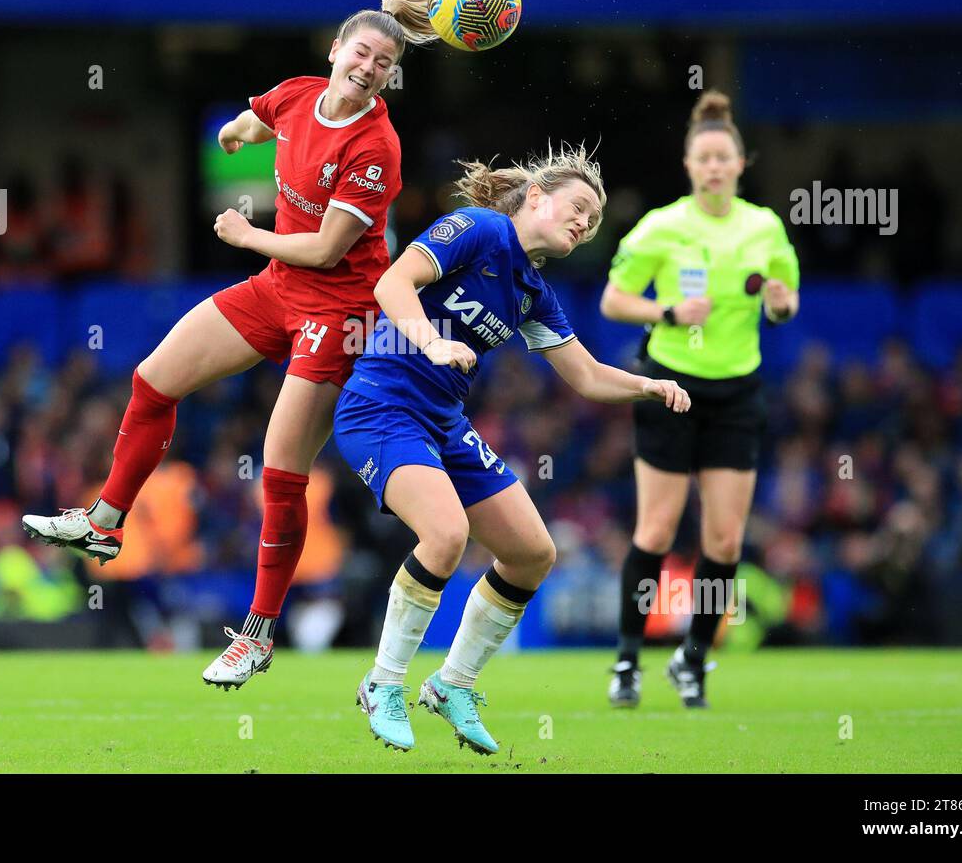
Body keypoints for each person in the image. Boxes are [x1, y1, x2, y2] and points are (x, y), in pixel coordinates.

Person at [19, 0, 501, 687]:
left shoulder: (377, 147)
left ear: (389, 78)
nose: (370, 69)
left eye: (385, 65)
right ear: (337, 50)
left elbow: (328, 246)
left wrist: (245, 233)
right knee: (153, 380)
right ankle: (105, 522)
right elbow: (258, 119)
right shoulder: (298, 93)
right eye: (362, 54)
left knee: (281, 473)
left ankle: (258, 635)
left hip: (337, 308)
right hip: (276, 289)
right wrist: (238, 129)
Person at [334, 146, 690, 753]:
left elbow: (586, 376)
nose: (583, 223)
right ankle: (383, 682)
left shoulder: (532, 292)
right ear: (534, 197)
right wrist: (431, 343)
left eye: (593, 222)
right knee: (444, 536)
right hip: (381, 406)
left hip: (443, 423)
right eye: (577, 207)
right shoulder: (480, 228)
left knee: (531, 554)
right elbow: (394, 282)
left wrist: (647, 383)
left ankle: (453, 685)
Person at [600, 90, 800, 708]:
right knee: (656, 531)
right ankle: (628, 659)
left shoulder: (764, 226)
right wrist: (666, 310)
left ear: (741, 164)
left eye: (724, 157)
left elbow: (787, 300)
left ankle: (693, 660)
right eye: (704, 157)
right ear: (689, 165)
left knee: (725, 544)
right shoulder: (662, 225)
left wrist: (777, 303)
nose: (714, 166)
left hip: (737, 393)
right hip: (669, 385)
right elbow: (613, 300)